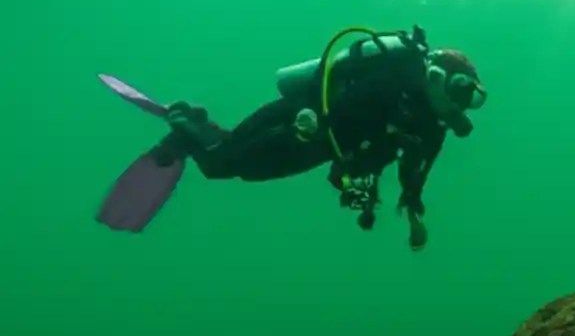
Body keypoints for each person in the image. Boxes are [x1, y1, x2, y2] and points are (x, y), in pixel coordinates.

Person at [95, 25, 486, 251]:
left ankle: (194, 132)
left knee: (226, 162)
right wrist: (343, 157)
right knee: (218, 164)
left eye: (470, 99)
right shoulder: (397, 75)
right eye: (461, 92)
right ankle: (188, 123)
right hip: (301, 119)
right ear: (440, 77)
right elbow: (347, 109)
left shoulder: (428, 126)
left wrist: (401, 206)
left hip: (315, 147)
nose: (461, 105)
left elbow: (410, 170)